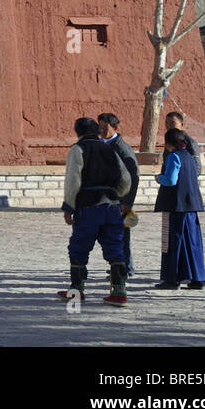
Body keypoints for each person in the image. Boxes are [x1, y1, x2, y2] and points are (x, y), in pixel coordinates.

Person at [60, 117, 132, 306]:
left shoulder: (78, 149)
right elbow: (126, 178)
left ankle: (77, 290)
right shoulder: (110, 149)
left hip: (88, 208)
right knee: (115, 246)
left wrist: (69, 207)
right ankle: (119, 291)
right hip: (112, 208)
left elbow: (72, 181)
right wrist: (116, 195)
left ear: (78, 132)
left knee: (79, 246)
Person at [152, 129, 205, 290]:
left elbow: (170, 180)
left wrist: (158, 178)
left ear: (168, 142)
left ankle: (172, 278)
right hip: (190, 206)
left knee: (173, 242)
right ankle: (197, 278)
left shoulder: (173, 156)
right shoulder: (189, 156)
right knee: (192, 242)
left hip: (175, 206)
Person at [98, 112, 139, 278]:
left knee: (123, 235)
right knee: (112, 234)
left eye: (104, 127)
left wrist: (128, 201)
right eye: (99, 126)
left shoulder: (122, 148)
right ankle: (118, 264)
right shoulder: (102, 144)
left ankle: (126, 268)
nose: (101, 130)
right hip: (108, 199)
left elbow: (134, 176)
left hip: (121, 200)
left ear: (114, 127)